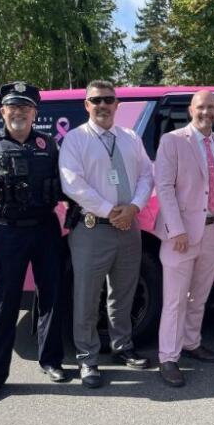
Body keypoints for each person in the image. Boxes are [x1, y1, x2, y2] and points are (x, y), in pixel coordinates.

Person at [0, 81, 67, 405]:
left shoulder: (49, 144)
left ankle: (51, 361)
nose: (19, 111)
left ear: (35, 112)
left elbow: (67, 186)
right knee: (2, 305)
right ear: (2, 110)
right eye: (13, 105)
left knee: (52, 297)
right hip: (8, 233)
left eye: (25, 106)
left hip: (46, 230)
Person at [59, 80, 154, 388]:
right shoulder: (75, 140)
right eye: (96, 100)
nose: (102, 105)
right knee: (87, 296)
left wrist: (135, 207)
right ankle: (87, 358)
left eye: (108, 99)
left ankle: (122, 346)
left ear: (117, 104)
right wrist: (110, 210)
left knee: (124, 292)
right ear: (87, 105)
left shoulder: (130, 137)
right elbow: (72, 183)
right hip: (92, 229)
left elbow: (146, 174)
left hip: (129, 227)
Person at [153, 90, 214, 387]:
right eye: (201, 107)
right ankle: (168, 357)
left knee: (199, 295)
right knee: (174, 299)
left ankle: (191, 342)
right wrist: (178, 230)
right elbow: (164, 186)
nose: (206, 112)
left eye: (211, 107)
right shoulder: (173, 140)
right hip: (181, 235)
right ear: (191, 109)